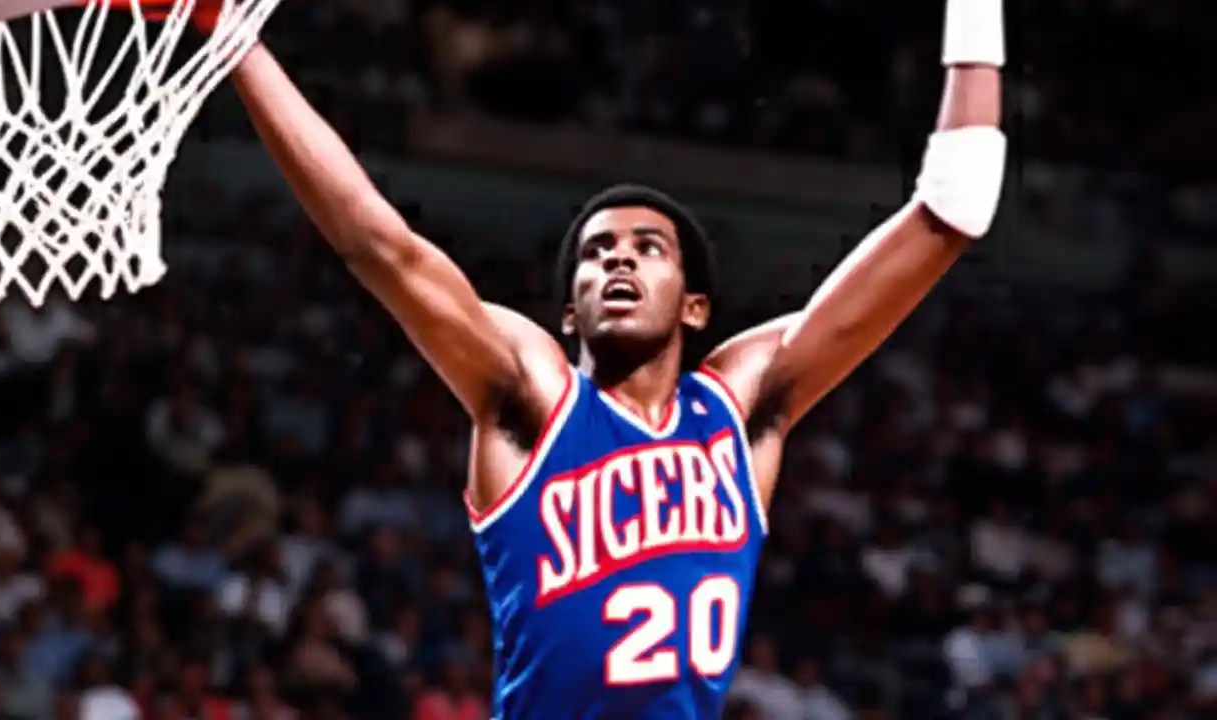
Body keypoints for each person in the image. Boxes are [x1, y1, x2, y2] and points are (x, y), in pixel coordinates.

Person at [225, 0, 1007, 716]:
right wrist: (236, 39)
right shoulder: (535, 398)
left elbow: (954, 208)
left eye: (648, 248)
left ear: (694, 306)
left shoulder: (738, 407)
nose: (619, 260)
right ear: (571, 311)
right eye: (596, 254)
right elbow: (381, 246)